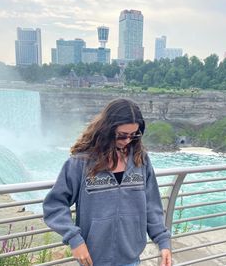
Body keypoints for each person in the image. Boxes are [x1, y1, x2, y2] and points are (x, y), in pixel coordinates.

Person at [43, 98, 172, 266]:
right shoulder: (80, 163)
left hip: (131, 260)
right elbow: (54, 205)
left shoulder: (141, 161)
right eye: (122, 135)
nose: (128, 141)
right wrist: (74, 239)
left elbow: (152, 206)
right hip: (93, 260)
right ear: (107, 129)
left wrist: (163, 242)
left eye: (134, 135)